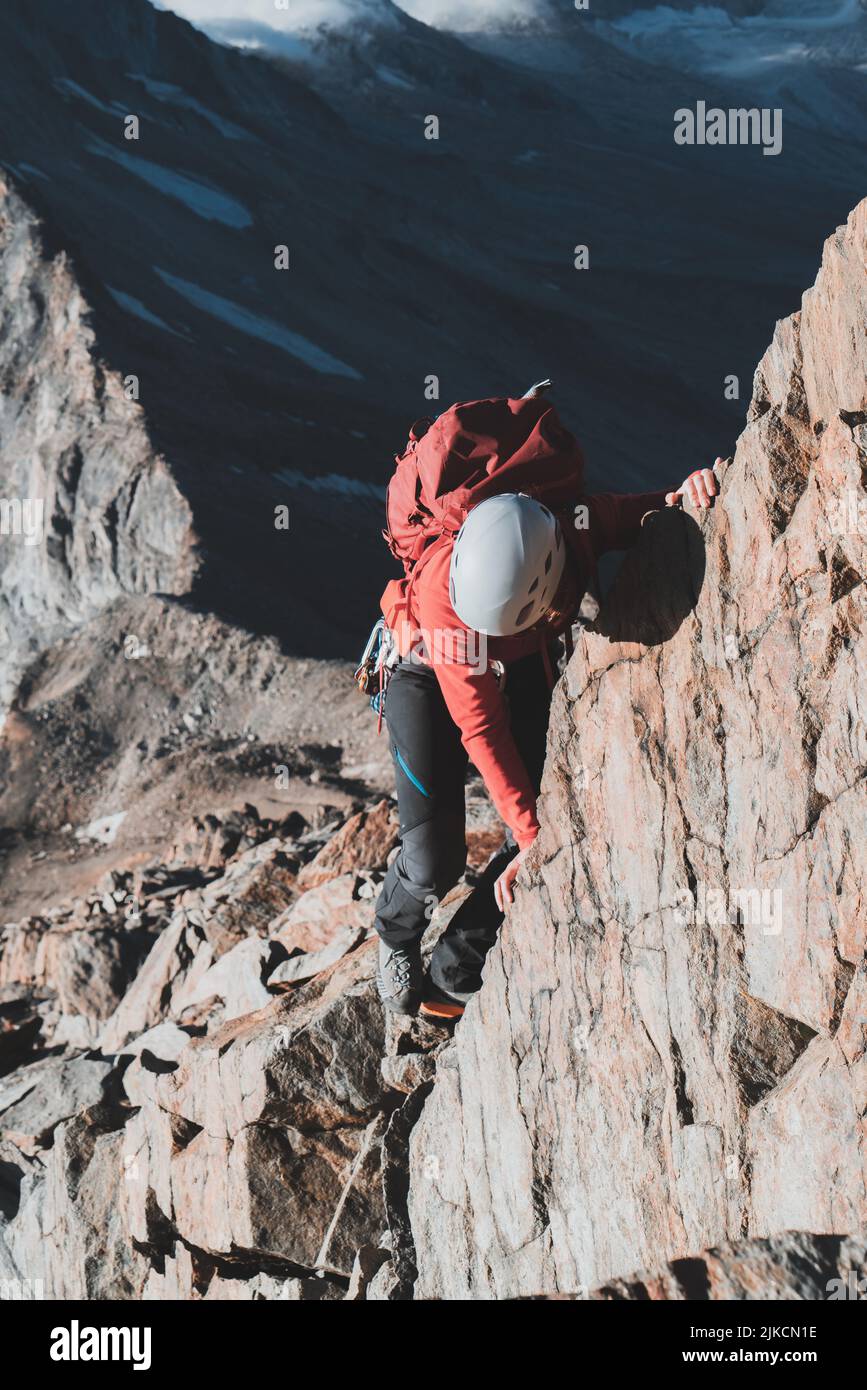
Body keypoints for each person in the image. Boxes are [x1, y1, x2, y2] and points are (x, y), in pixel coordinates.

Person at [373, 390, 720, 1019]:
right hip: (427, 675)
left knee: (552, 815)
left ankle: (455, 970)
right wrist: (528, 834)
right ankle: (396, 934)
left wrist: (685, 495)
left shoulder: (563, 523)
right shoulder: (449, 602)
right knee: (434, 860)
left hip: (523, 662)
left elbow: (634, 514)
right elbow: (480, 726)